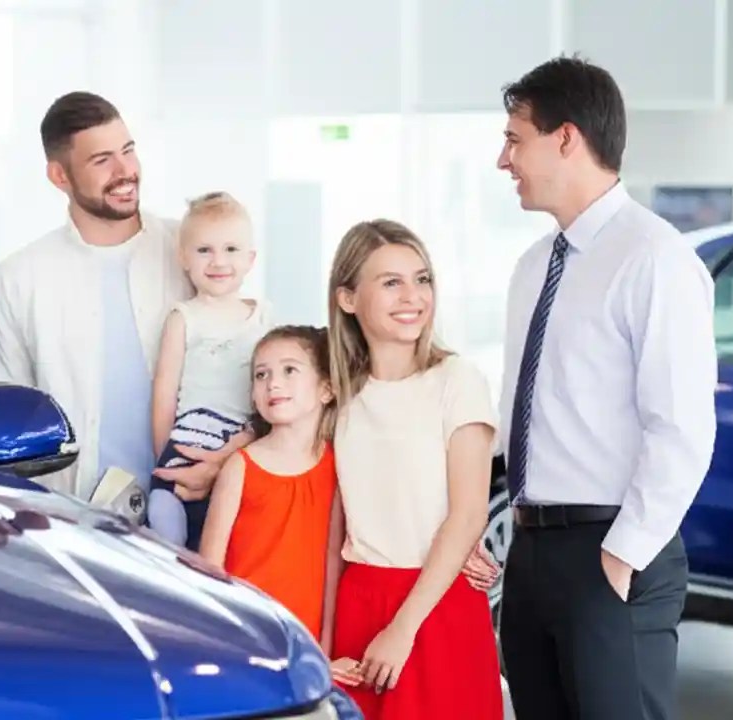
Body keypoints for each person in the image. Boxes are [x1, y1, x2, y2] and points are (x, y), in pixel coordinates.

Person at [488, 55, 717, 720]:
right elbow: (527, 410)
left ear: (565, 137)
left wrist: (620, 557)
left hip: (609, 551)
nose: (504, 161)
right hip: (531, 556)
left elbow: (681, 430)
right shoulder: (534, 266)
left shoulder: (656, 258)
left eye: (513, 139)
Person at [0, 91, 235, 514]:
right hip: (72, 523)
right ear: (59, 177)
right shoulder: (19, 279)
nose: (125, 171)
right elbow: (8, 442)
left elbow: (249, 372)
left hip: (194, 510)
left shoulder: (196, 252)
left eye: (128, 150)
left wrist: (222, 463)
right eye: (102, 161)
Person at [326, 219, 504, 720]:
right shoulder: (338, 391)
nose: (413, 296)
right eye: (391, 282)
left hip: (436, 604)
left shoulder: (457, 380)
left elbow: (468, 515)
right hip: (359, 601)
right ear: (347, 299)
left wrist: (403, 629)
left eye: (421, 279)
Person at [197, 325, 341, 648]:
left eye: (289, 370)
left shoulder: (337, 466)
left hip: (305, 640)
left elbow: (333, 564)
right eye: (261, 375)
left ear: (326, 390)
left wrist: (327, 646)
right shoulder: (239, 466)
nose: (273, 383)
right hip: (243, 636)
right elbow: (210, 566)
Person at [149, 191, 264, 550]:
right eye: (204, 250)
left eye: (231, 250)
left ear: (250, 259)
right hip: (188, 438)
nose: (218, 261)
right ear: (184, 257)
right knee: (165, 508)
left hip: (241, 441)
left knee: (228, 534)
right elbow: (164, 394)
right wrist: (163, 455)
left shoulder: (264, 317)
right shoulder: (184, 317)